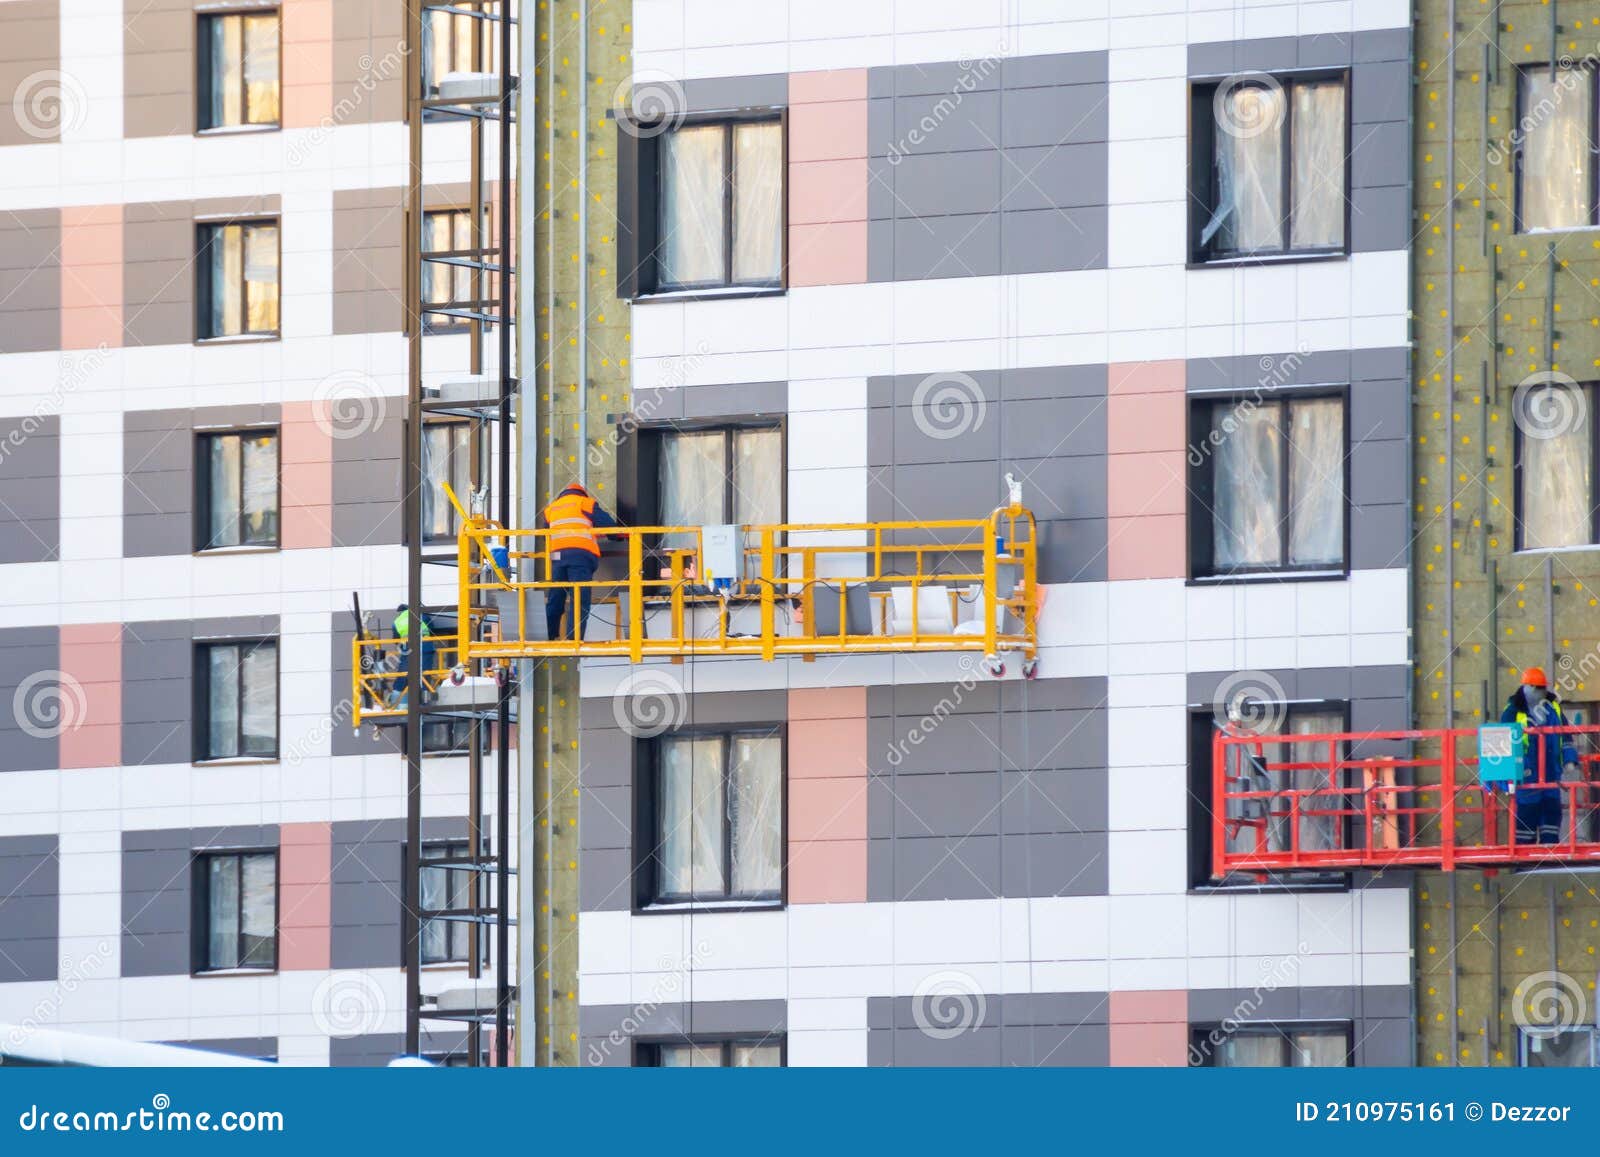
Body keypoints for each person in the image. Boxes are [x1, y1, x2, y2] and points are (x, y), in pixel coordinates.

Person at [538, 482, 620, 640]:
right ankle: (573, 639)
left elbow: (544, 536)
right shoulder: (585, 503)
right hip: (580, 556)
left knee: (556, 596)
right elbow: (609, 525)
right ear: (581, 493)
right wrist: (614, 536)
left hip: (556, 557)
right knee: (579, 598)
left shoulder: (551, 509)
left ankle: (549, 635)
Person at [1501, 667, 1565, 844]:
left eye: (1542, 688)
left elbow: (1566, 736)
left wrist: (1569, 760)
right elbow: (1502, 743)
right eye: (1537, 688)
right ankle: (1525, 864)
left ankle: (1550, 861)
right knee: (1526, 818)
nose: (1540, 692)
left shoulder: (1553, 707)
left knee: (1551, 816)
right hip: (1526, 773)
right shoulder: (1512, 711)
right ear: (1526, 687)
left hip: (1551, 771)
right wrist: (1506, 777)